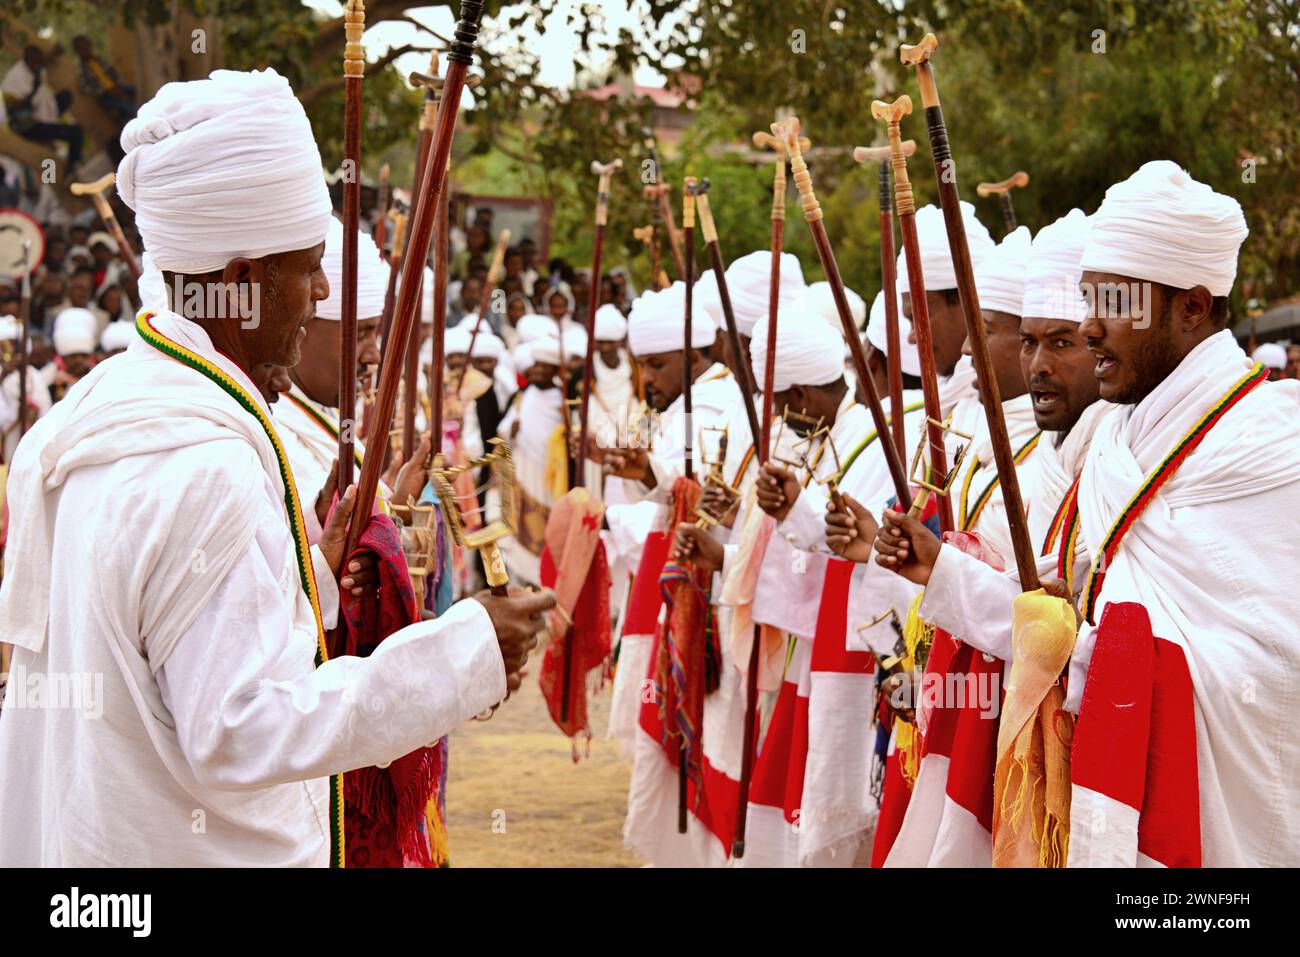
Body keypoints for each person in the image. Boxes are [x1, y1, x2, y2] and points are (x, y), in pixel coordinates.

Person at [0, 68, 554, 867]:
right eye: (309, 267)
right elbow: (240, 729)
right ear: (242, 284)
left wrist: (312, 575)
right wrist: (463, 656)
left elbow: (163, 644)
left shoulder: (97, 412)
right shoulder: (204, 461)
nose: (322, 291)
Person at [1061, 161, 1300, 867]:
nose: (1088, 325)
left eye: (1111, 300)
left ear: (1192, 307)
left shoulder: (1271, 445)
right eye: (1086, 297)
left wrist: (1094, 660)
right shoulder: (1111, 437)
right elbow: (1087, 595)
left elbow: (1277, 674)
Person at [1, 45, 83, 174]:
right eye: (35, 64)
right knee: (75, 133)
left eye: (40, 63)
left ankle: (50, 136)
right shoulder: (13, 80)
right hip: (27, 126)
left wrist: (54, 52)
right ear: (26, 60)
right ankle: (70, 171)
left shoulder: (36, 66)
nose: (38, 67)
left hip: (44, 114)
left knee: (66, 96)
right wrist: (34, 90)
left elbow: (45, 61)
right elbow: (15, 108)